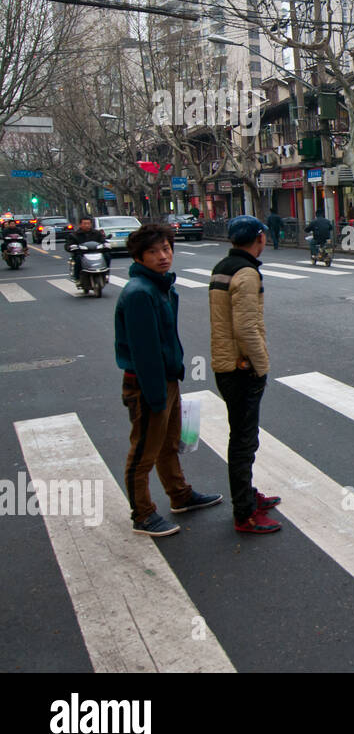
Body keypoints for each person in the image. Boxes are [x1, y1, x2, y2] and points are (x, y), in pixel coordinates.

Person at [115, 223, 222, 537]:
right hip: (147, 382)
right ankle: (143, 514)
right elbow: (144, 350)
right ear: (139, 256)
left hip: (166, 378)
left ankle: (180, 495)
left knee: (168, 443)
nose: (163, 256)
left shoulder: (160, 286)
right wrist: (155, 395)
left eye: (166, 249)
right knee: (144, 450)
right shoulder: (139, 293)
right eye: (153, 251)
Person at [209, 215, 281, 534]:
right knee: (243, 440)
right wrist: (261, 364)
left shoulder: (223, 267)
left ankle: (246, 495)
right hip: (241, 368)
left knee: (241, 436)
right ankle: (244, 512)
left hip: (226, 364)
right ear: (260, 239)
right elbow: (246, 327)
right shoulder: (246, 272)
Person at [66, 216, 110, 280]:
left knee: (107, 256)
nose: (87, 225)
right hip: (82, 254)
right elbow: (68, 244)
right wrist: (71, 247)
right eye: (84, 223)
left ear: (91, 224)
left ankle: (106, 272)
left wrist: (106, 245)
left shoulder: (97, 233)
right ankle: (77, 277)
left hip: (96, 252)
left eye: (88, 223)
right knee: (77, 259)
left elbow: (103, 241)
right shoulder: (74, 235)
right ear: (80, 224)